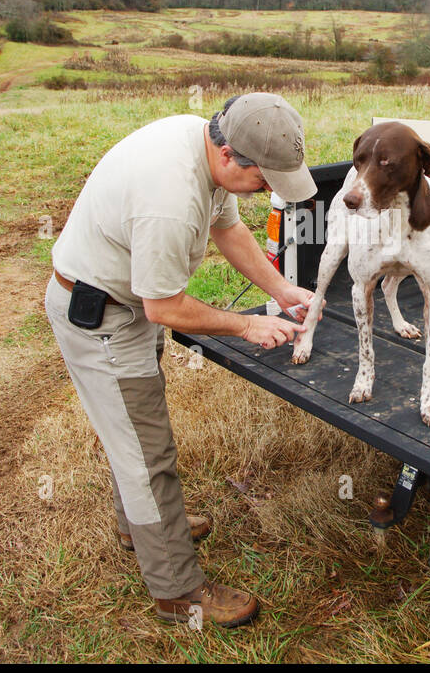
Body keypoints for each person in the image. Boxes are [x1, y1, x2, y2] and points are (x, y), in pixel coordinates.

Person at [44, 92, 317, 627]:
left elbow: (229, 230)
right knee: (149, 456)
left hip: (124, 301)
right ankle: (176, 591)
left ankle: (138, 528)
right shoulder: (168, 195)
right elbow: (164, 305)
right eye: (264, 182)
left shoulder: (203, 141)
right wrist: (247, 323)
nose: (267, 194)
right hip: (103, 317)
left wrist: (283, 290)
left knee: (132, 433)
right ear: (229, 156)